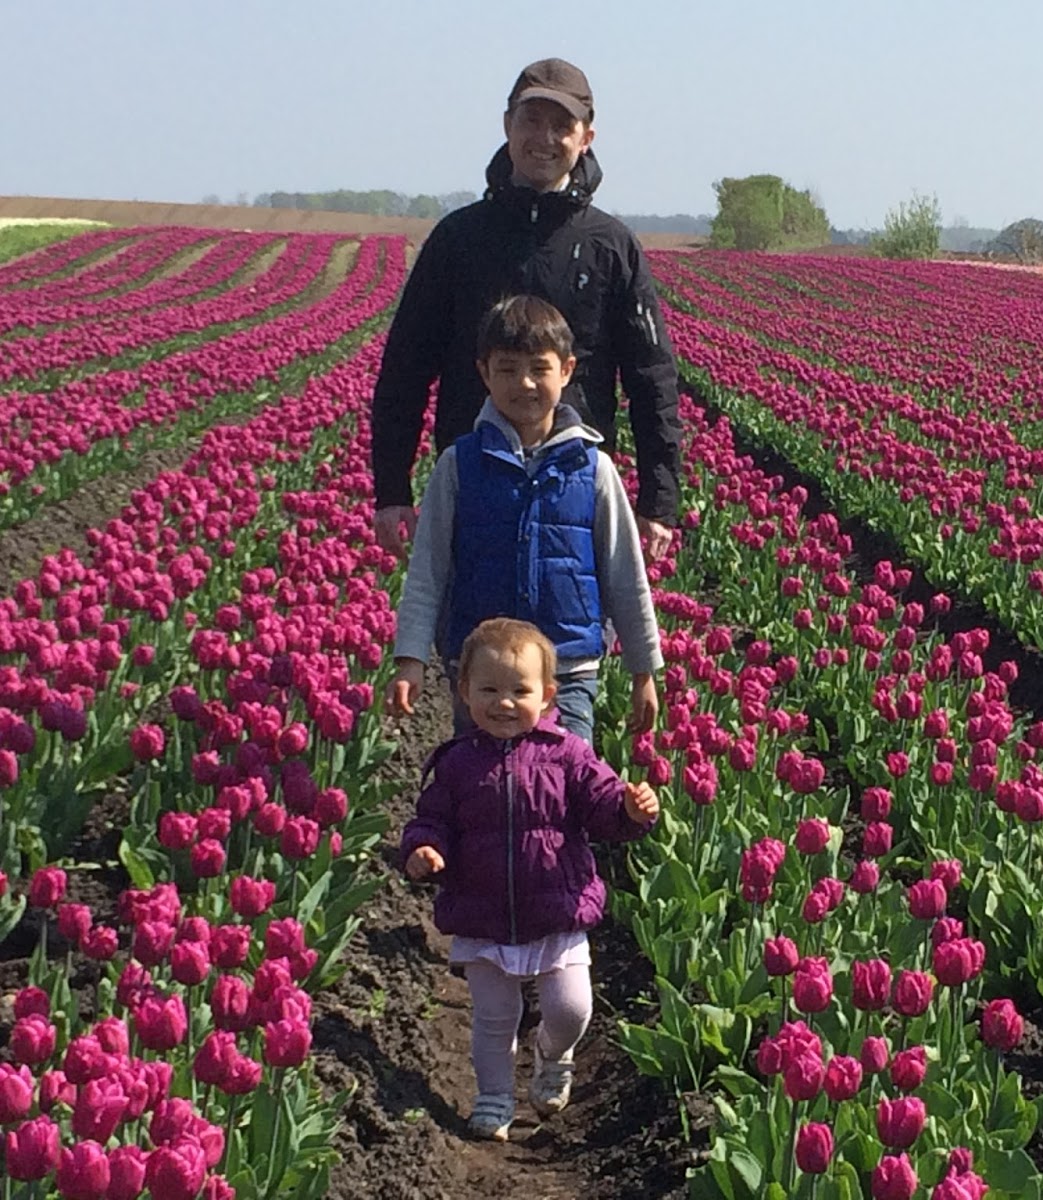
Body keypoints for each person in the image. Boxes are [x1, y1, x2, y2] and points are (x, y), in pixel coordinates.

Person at [371, 56, 681, 566]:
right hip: (473, 477)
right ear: (507, 125)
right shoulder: (459, 239)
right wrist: (392, 489)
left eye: (562, 125)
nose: (545, 137)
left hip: (575, 485)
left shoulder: (610, 245)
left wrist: (658, 501)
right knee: (474, 639)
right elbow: (405, 369)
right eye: (531, 119)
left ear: (587, 138)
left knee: (573, 630)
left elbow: (652, 379)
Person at [400, 618, 660, 1139]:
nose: (503, 702)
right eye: (489, 689)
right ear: (463, 693)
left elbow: (603, 808)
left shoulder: (569, 755)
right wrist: (422, 850)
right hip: (483, 912)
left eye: (520, 690)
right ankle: (494, 1098)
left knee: (572, 1009)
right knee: (494, 1018)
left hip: (557, 906)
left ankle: (552, 1052)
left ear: (547, 695)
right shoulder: (455, 766)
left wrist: (632, 810)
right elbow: (431, 820)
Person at [384, 294, 661, 744]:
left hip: (566, 672)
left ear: (567, 370)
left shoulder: (594, 469)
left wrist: (644, 668)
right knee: (479, 791)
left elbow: (624, 573)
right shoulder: (459, 465)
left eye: (539, 368)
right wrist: (410, 657)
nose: (525, 383)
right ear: (483, 372)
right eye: (508, 369)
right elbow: (428, 570)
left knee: (563, 788)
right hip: (482, 674)